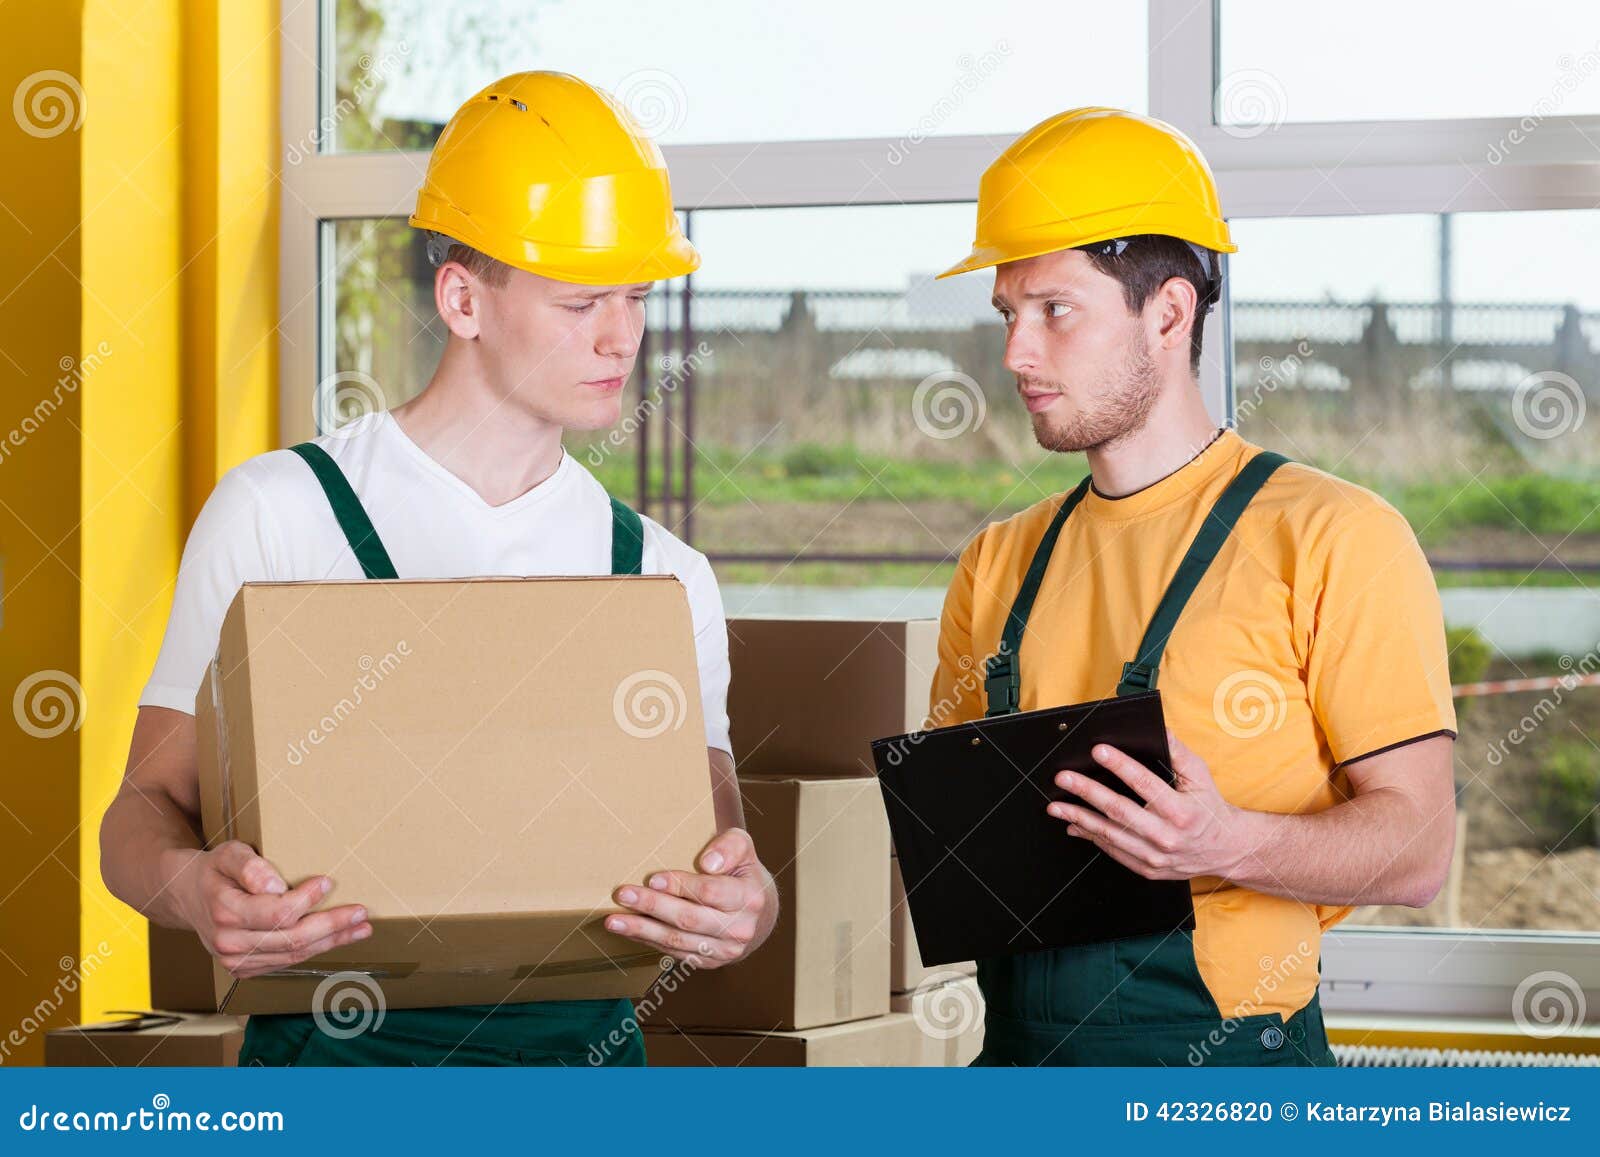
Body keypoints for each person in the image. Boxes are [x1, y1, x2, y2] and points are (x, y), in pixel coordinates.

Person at [100, 71, 777, 1067]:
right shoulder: (281, 514)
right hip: (339, 1067)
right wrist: (194, 888)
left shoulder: (661, 574)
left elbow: (723, 852)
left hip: (581, 1075)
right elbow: (140, 810)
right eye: (581, 299)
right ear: (462, 297)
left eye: (636, 296)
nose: (621, 336)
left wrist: (744, 907)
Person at [928, 107, 1457, 1066]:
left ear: (1168, 313)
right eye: (1008, 315)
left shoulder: (1331, 536)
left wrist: (1225, 843)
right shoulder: (995, 561)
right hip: (1017, 1063)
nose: (1015, 353)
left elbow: (1418, 848)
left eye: (1054, 310)